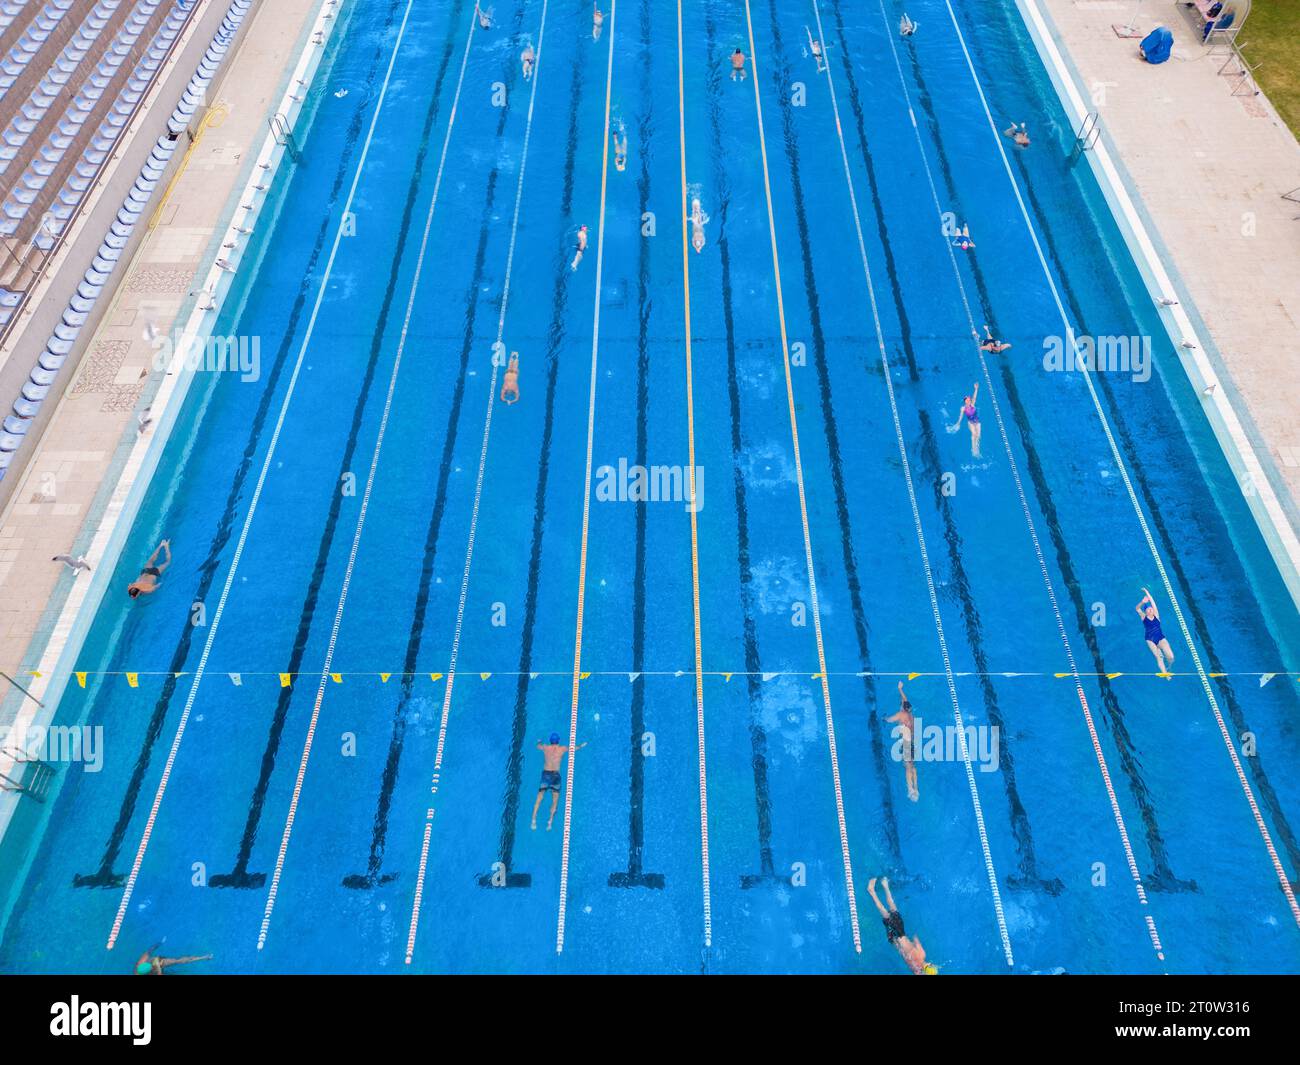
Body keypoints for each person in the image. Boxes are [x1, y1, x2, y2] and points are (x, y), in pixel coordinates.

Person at [867, 878, 937, 975]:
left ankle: (878, 888)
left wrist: (914, 943)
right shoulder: (915, 970)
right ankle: (881, 887)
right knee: (884, 914)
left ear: (930, 964)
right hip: (893, 940)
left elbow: (915, 938)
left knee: (892, 908)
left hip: (900, 933)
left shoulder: (922, 954)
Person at [531, 732, 588, 830]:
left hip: (546, 775)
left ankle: (533, 820)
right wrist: (581, 745)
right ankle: (550, 822)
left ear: (550, 741)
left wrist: (539, 741)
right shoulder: (562, 749)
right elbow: (574, 748)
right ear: (558, 741)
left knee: (539, 798)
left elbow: (538, 746)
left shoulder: (545, 747)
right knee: (555, 800)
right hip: (555, 776)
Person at [888, 681, 919, 801]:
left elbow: (889, 720)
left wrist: (883, 718)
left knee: (907, 767)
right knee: (913, 765)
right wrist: (900, 689)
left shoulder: (901, 715)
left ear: (903, 708)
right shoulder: (912, 715)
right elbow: (905, 700)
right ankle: (916, 787)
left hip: (906, 744)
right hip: (912, 743)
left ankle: (910, 789)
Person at [1136, 588, 1175, 676]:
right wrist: (1142, 602)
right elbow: (1137, 608)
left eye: (1151, 609)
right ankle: (1165, 674)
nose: (1151, 610)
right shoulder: (1143, 617)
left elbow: (1153, 603)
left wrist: (1147, 592)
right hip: (1150, 639)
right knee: (1159, 657)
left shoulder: (1156, 616)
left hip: (1160, 638)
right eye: (1149, 609)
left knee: (1171, 657)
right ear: (1145, 612)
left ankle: (1169, 666)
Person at [133, 943, 212, 975]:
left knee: (179, 961)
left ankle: (203, 957)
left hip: (161, 961)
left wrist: (159, 943)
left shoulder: (141, 962)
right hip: (157, 967)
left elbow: (150, 950)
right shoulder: (139, 968)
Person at [950, 383, 981, 458]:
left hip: (977, 422)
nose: (969, 401)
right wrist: (958, 423)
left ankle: (977, 449)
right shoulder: (963, 408)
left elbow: (974, 397)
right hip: (970, 423)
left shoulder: (972, 404)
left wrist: (976, 389)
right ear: (965, 401)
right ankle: (973, 449)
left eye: (969, 400)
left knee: (978, 436)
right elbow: (961, 416)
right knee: (974, 434)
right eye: (967, 400)